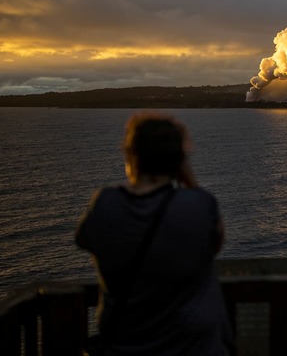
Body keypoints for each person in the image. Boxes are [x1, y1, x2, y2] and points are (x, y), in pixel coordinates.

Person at [76, 113, 233, 355]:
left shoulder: (105, 203)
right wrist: (188, 177)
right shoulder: (198, 204)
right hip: (193, 347)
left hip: (123, 347)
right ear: (178, 160)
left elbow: (85, 239)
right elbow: (216, 241)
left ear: (131, 155)